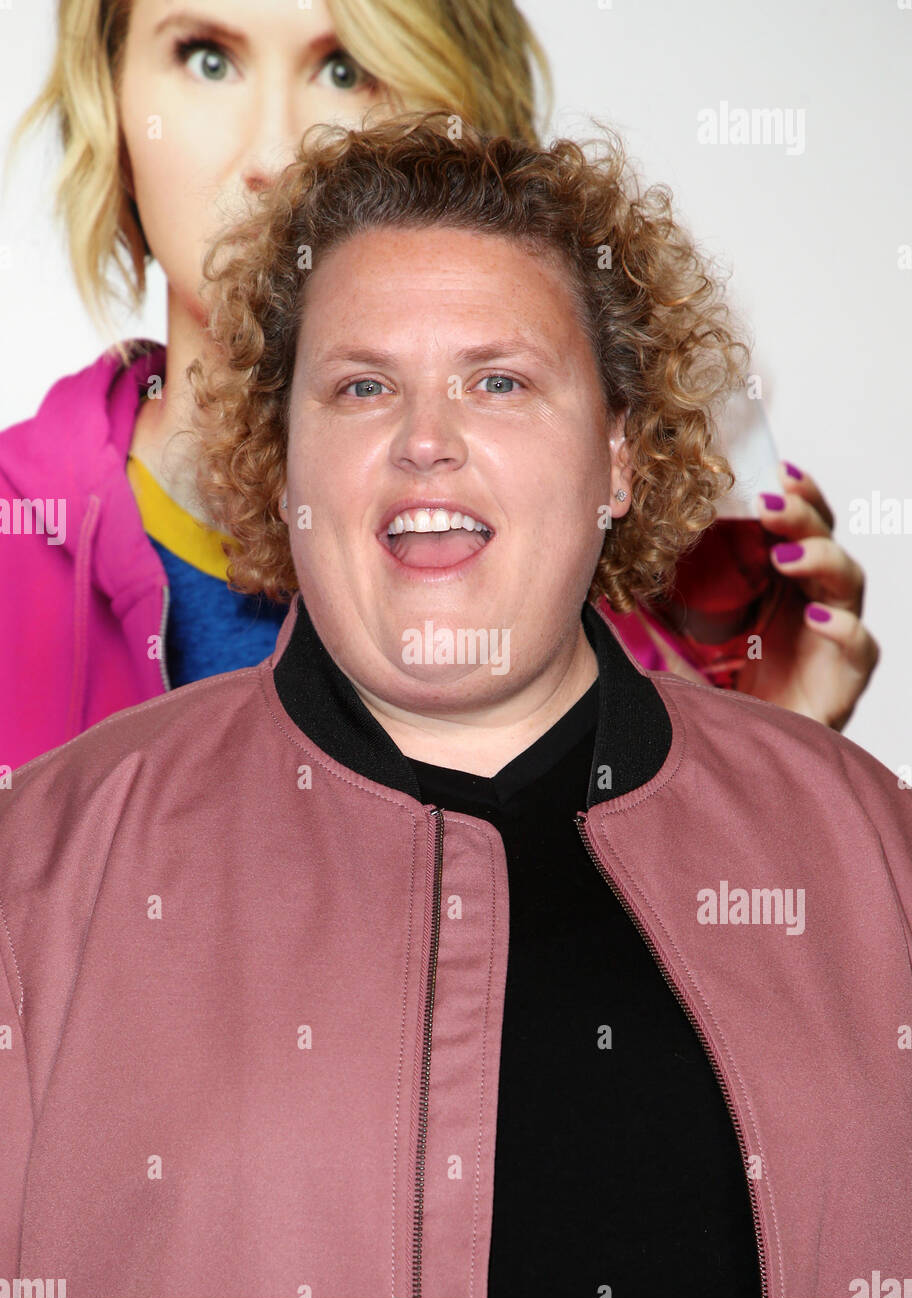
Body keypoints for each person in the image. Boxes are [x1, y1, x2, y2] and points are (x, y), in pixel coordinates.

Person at [1, 112, 909, 1298]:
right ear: (281, 463)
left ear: (621, 457)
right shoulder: (43, 866)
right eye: (365, 385)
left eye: (499, 381)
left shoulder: (869, 847)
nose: (427, 442)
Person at [0, 0, 877, 772]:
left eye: (346, 67)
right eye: (207, 56)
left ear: (457, 124)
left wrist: (758, 765)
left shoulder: (633, 597)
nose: (271, 153)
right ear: (108, 100)